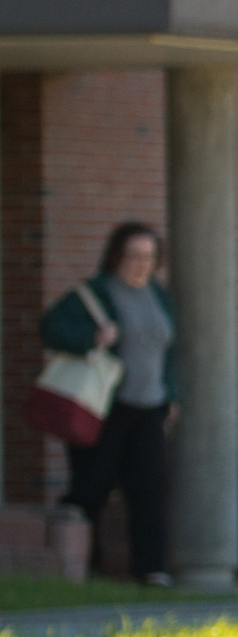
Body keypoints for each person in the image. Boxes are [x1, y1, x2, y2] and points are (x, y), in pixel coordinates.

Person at [39, 221, 174, 586]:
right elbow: (50, 328)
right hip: (104, 408)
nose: (141, 264)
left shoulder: (160, 297)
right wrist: (92, 338)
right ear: (116, 256)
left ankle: (152, 570)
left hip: (150, 409)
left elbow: (170, 352)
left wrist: (171, 394)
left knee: (151, 489)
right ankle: (76, 567)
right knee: (91, 486)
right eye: (133, 255)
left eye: (148, 256)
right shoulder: (96, 293)